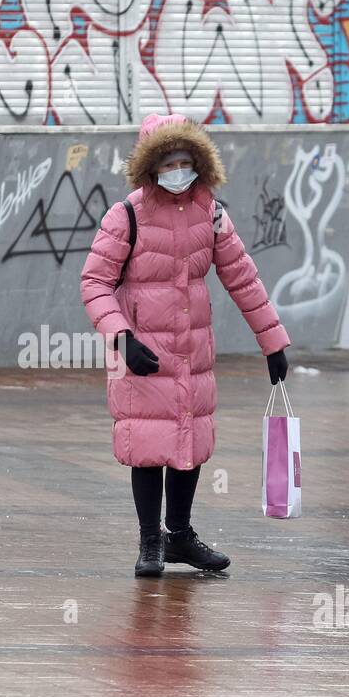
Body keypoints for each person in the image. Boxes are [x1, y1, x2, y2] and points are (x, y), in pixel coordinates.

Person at [81, 113, 290, 578]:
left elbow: (242, 277)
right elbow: (95, 282)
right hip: (142, 354)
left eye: (185, 161)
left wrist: (272, 341)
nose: (178, 171)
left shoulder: (210, 213)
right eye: (168, 162)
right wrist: (121, 336)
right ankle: (150, 541)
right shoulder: (127, 215)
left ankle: (179, 537)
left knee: (189, 443)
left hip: (191, 352)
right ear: (151, 165)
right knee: (147, 447)